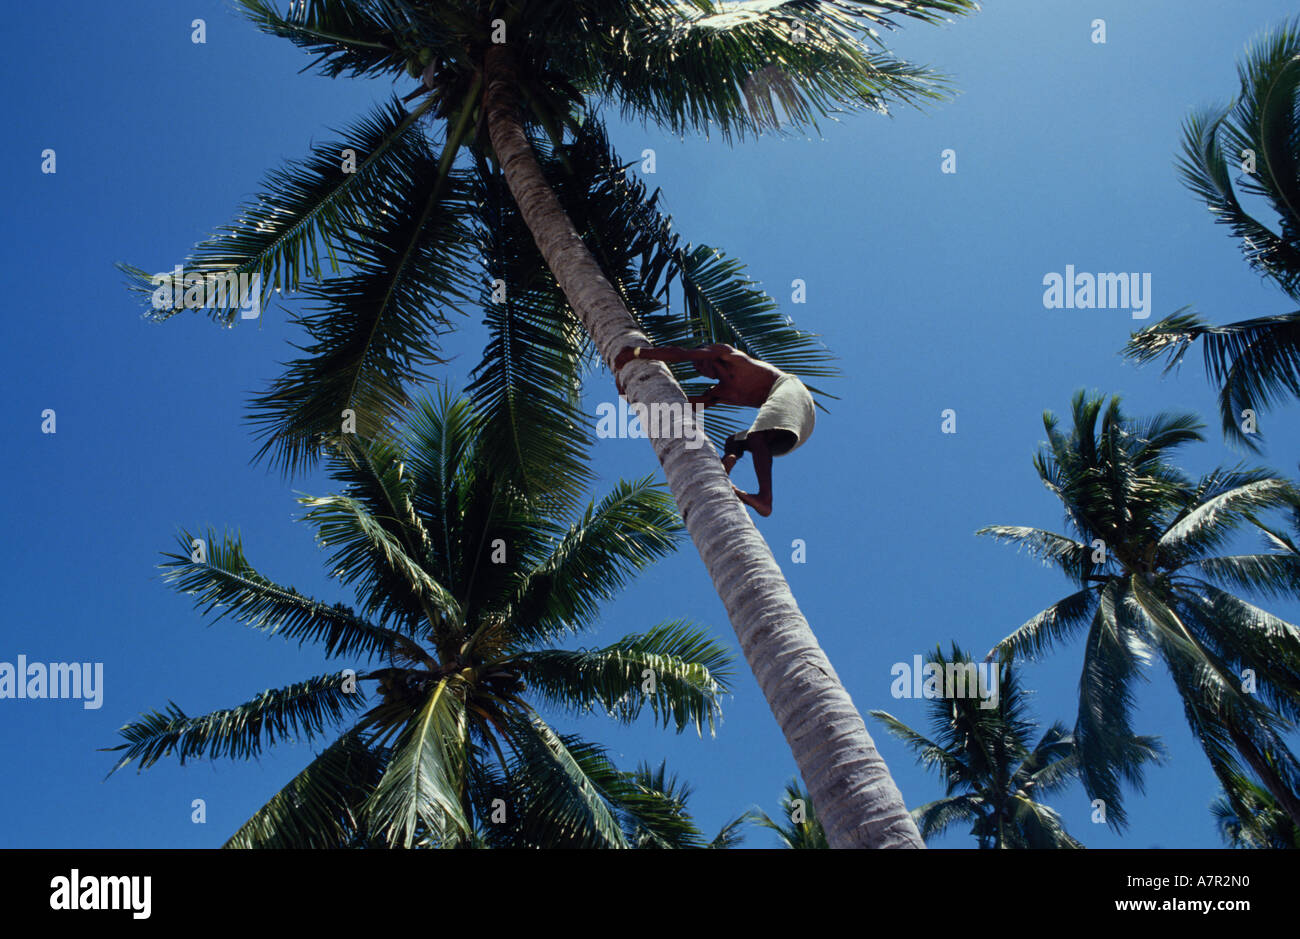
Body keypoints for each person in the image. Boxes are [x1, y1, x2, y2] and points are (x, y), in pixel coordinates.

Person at [612, 342, 815, 516]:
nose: (701, 369)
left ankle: (764, 499)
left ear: (709, 354)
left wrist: (636, 353)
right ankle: (724, 469)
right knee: (735, 441)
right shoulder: (719, 392)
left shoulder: (728, 355)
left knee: (756, 436)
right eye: (698, 369)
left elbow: (681, 354)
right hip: (787, 438)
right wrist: (631, 396)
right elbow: (679, 406)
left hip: (791, 392)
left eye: (700, 362)